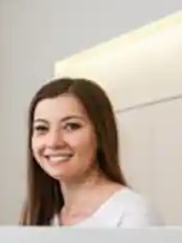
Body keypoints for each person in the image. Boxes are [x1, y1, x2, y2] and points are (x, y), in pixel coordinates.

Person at [20, 77, 163, 228]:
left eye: (71, 126)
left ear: (100, 134)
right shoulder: (43, 218)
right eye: (42, 128)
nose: (54, 142)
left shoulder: (132, 215)